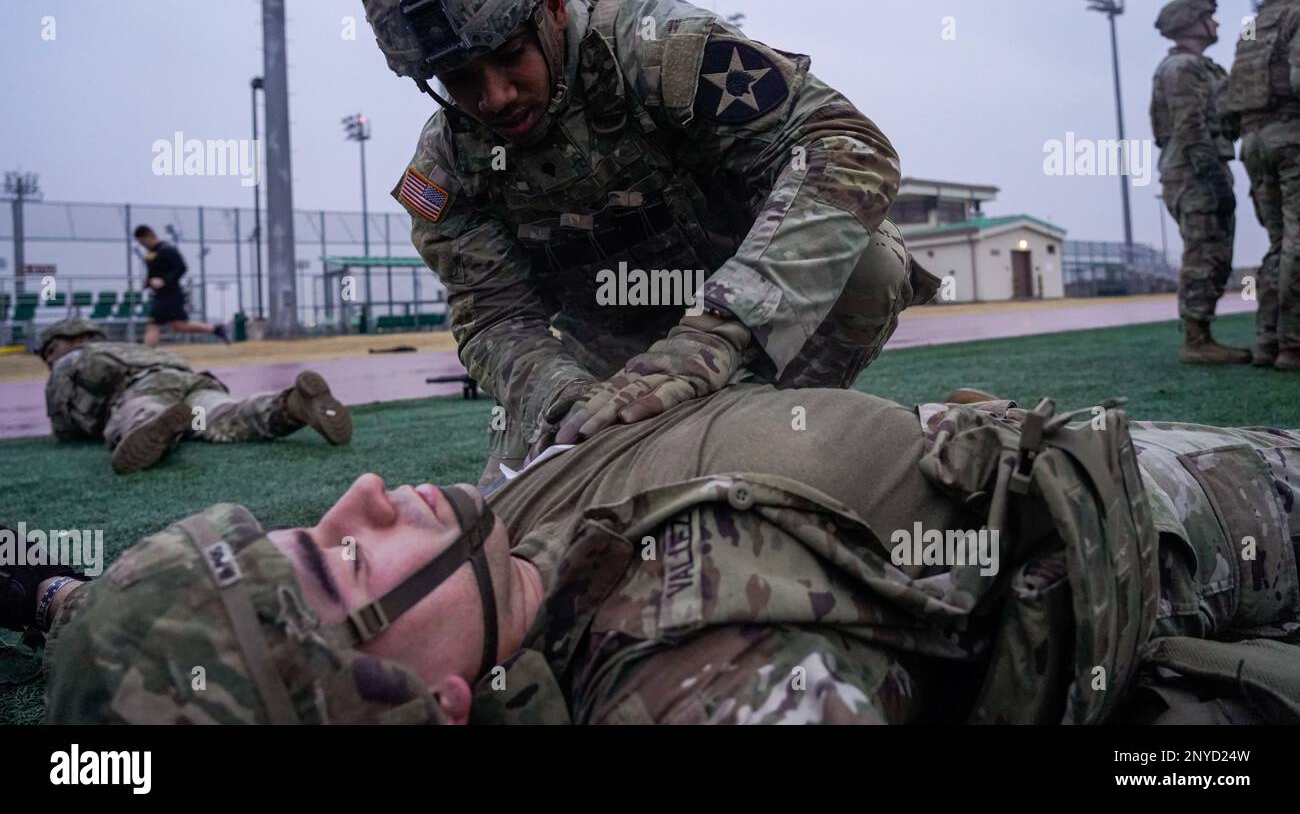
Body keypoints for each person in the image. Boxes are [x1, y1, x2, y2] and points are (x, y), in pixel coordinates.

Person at [22, 382, 1300, 724]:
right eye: (344, 569)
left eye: (312, 529)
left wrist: (57, 597)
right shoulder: (694, 672)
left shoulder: (486, 582)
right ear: (438, 704)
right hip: (1161, 516)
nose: (360, 496)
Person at [355, 0, 939, 485]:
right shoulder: (446, 169)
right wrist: (565, 400)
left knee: (871, 264)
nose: (495, 96)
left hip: (747, 319)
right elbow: (495, 317)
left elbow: (845, 146)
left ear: (553, 6)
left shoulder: (656, 52)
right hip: (598, 360)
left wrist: (712, 335)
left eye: (508, 55)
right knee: (516, 536)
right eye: (458, 79)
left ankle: (762, 448)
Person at [37, 319, 353, 474]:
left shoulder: (67, 363)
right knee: (226, 415)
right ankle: (290, 405)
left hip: (144, 386)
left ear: (56, 346)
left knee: (140, 408)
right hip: (193, 380)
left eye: (48, 353)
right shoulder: (128, 348)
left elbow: (67, 427)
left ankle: (151, 425)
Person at [1149, 0, 1253, 364]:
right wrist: (1211, 176)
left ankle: (1202, 335)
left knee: (1216, 253)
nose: (1217, 24)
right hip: (1194, 170)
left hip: (1203, 166)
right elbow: (1189, 126)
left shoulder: (1202, 67)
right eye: (1210, 17)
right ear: (1191, 23)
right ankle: (1196, 340)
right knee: (1203, 252)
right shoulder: (1183, 68)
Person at [1223, 0, 1300, 371]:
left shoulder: (1252, 25)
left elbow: (1234, 93)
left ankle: (1269, 340)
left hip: (1254, 139)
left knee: (1279, 241)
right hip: (1292, 134)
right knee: (1297, 240)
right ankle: (1293, 342)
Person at [133, 225, 229, 347]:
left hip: (170, 295)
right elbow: (154, 274)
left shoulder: (167, 250)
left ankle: (146, 358)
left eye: (142, 242)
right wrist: (148, 282)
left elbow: (181, 268)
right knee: (179, 326)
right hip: (161, 295)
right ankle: (215, 329)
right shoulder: (150, 254)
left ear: (149, 236)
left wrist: (164, 280)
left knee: (153, 325)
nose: (142, 245)